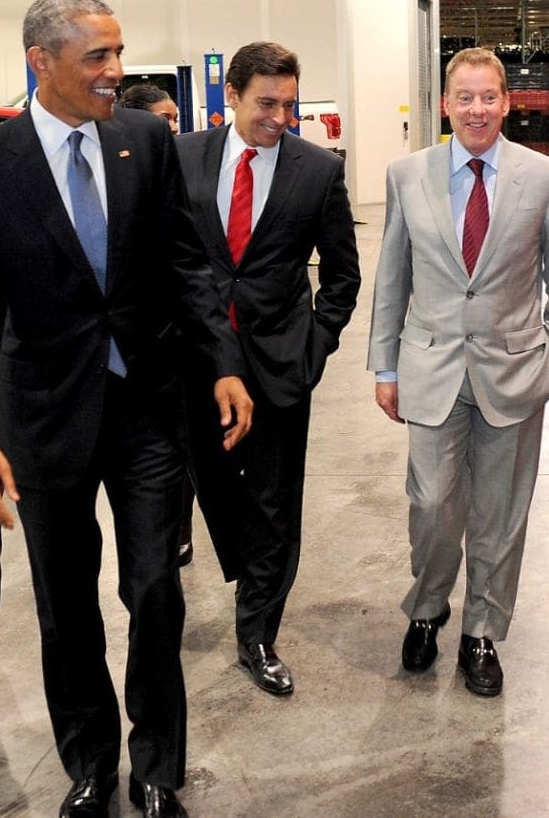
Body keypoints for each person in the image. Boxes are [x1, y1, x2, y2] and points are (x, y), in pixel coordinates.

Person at [0, 0, 253, 818]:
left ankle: (158, 767)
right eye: (98, 57)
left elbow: (188, 264)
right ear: (41, 61)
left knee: (156, 587)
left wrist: (222, 364)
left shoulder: (141, 142)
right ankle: (90, 764)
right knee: (64, 602)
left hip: (146, 406)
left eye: (119, 53)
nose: (117, 73)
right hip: (43, 419)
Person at [367, 47, 549, 697]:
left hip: (514, 377)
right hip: (430, 370)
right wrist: (384, 364)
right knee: (432, 504)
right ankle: (429, 608)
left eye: (489, 97)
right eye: (465, 97)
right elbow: (392, 279)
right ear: (445, 104)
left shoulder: (544, 178)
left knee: (499, 513)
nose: (477, 109)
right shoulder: (408, 176)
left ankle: (481, 631)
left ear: (507, 103)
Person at [175, 42, 360, 697]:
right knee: (214, 486)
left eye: (289, 104)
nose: (279, 118)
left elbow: (342, 275)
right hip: (195, 360)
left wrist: (314, 348)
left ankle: (257, 631)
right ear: (231, 95)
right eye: (266, 103)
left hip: (280, 365)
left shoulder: (317, 171)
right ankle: (240, 570)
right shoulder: (184, 157)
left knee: (275, 504)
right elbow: (174, 256)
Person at [117, 83, 196, 567]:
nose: (173, 128)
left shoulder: (176, 169)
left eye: (174, 119)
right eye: (164, 120)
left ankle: (176, 534)